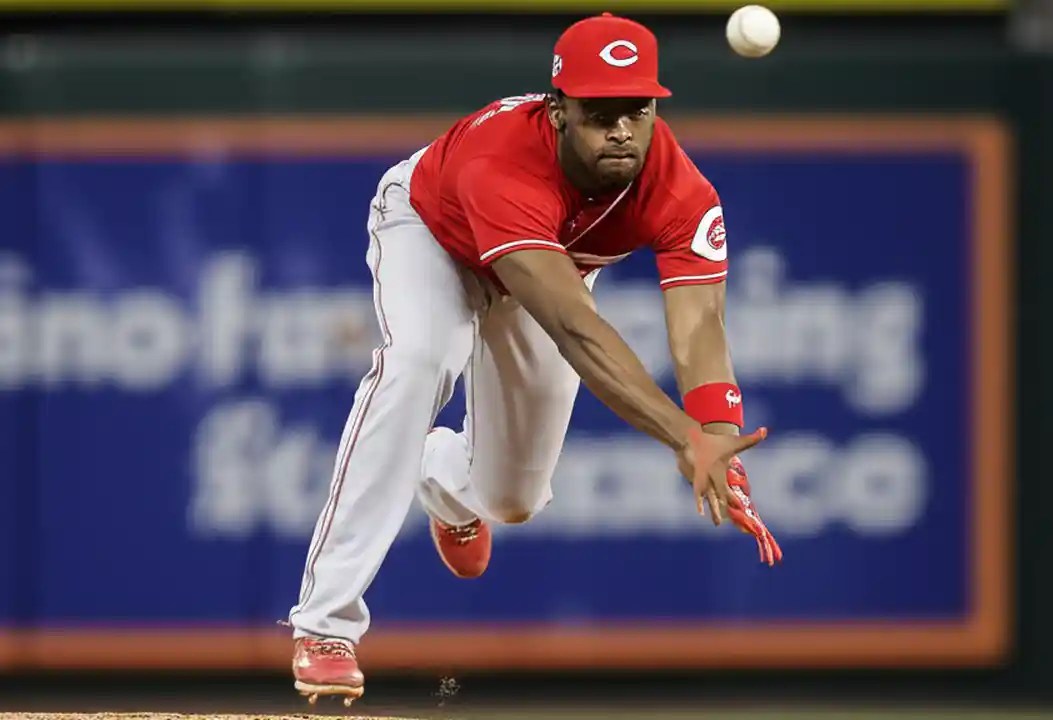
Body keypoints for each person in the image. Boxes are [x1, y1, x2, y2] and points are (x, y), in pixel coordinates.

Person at [285, 13, 783, 705]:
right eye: (598, 112)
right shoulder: (503, 163)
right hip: (435, 236)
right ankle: (326, 625)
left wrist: (719, 436)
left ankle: (444, 478)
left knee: (513, 500)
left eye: (636, 110)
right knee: (420, 360)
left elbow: (700, 326)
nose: (620, 129)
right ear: (558, 112)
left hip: (547, 269)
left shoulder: (679, 187)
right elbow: (577, 331)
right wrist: (680, 435)